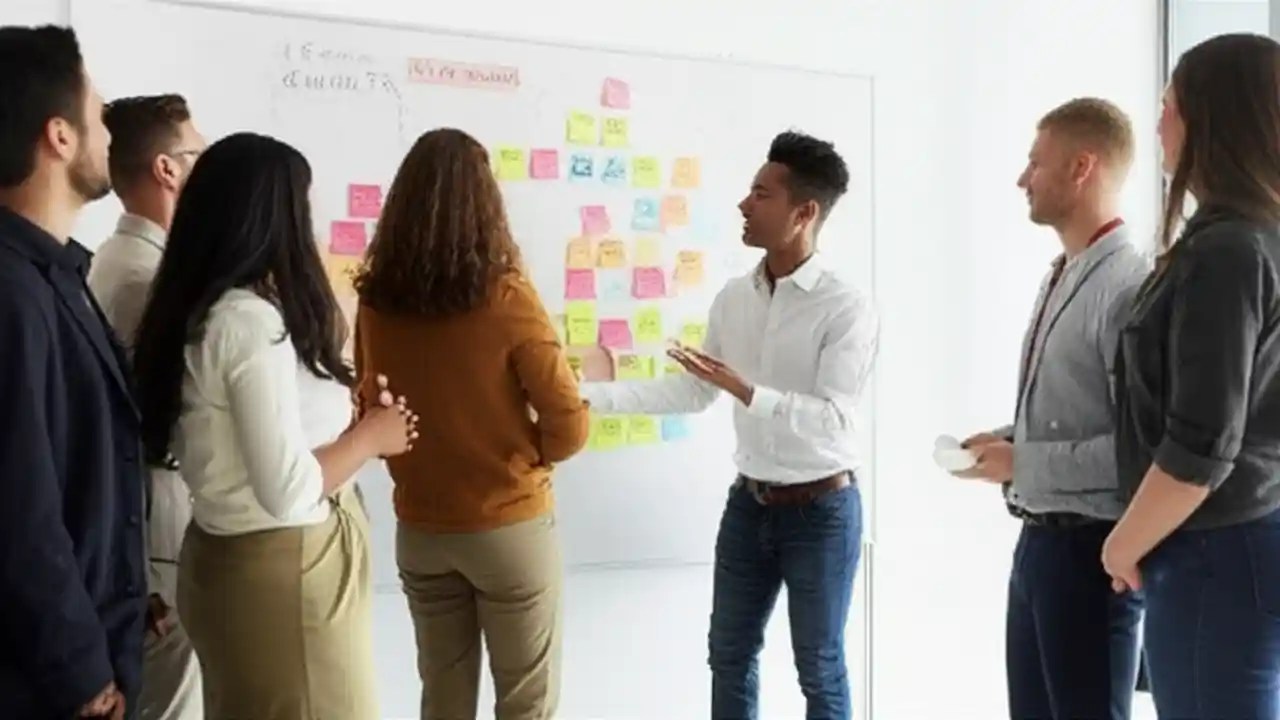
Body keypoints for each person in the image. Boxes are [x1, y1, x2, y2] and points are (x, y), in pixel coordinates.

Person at [580, 131, 878, 720]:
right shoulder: (734, 299)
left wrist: (748, 391)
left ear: (804, 213)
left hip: (821, 511)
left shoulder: (845, 306)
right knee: (729, 653)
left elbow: (836, 420)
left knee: (819, 667)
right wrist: (588, 397)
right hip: (749, 506)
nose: (744, 204)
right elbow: (693, 391)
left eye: (760, 194)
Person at [130, 132, 417, 720]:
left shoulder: (207, 309)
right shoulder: (248, 322)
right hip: (284, 569)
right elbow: (285, 489)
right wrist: (369, 439)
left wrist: (348, 421)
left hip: (237, 562)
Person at [351, 127, 589, 719]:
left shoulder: (376, 302)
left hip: (422, 530)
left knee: (443, 699)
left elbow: (369, 411)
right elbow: (570, 424)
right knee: (525, 705)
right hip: (508, 526)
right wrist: (529, 456)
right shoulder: (506, 296)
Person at [1103, 32, 1280, 718]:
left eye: (1166, 105)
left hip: (1215, 550)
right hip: (1238, 541)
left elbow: (1201, 446)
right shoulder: (1253, 238)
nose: (1157, 126)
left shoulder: (1228, 250)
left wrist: (1123, 544)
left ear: (1210, 117)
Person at [956, 98, 1148, 720]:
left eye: (1035, 162)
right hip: (1039, 544)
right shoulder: (1062, 272)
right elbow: (1077, 406)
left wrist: (1022, 460)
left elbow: (1135, 449)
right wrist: (1009, 441)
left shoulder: (1127, 286)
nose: (1022, 178)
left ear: (1081, 167)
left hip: (1092, 554)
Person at [0, 25, 143, 720]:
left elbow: (80, 463)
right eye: (99, 115)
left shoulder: (58, 271)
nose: (111, 133)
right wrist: (81, 670)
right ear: (58, 137)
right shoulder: (11, 293)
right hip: (50, 686)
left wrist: (125, 598)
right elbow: (18, 509)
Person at [87, 93, 207, 720]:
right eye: (199, 156)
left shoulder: (123, 260)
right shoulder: (142, 280)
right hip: (159, 545)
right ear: (168, 169)